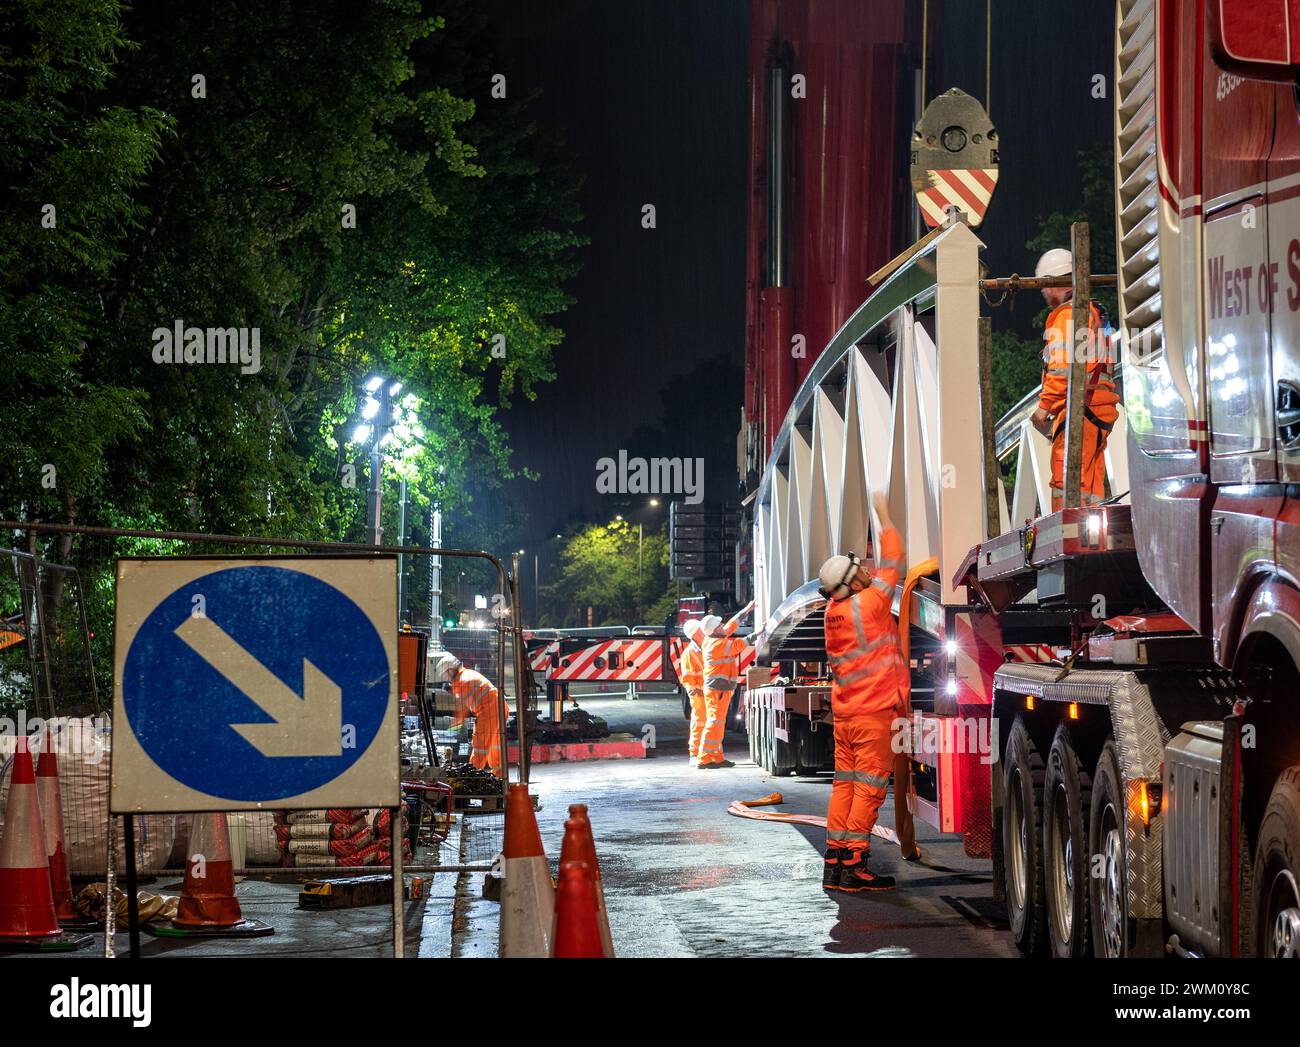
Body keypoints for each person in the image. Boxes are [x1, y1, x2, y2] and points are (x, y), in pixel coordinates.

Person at [816, 491, 906, 892]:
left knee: (844, 785)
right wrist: (884, 515)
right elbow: (894, 564)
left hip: (847, 715)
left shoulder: (831, 614)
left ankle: (835, 863)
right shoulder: (868, 604)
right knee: (868, 789)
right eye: (860, 570)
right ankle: (854, 865)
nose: (868, 572)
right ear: (852, 581)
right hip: (874, 715)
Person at [1029, 248, 1120, 510]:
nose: (1044, 293)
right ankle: (1089, 541)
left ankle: (1067, 535)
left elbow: (1061, 370)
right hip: (1099, 412)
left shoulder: (1066, 317)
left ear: (1055, 282)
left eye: (1045, 286)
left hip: (1080, 411)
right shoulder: (1092, 313)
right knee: (1089, 489)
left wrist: (1044, 408)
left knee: (1067, 482)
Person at [697, 600, 755, 769]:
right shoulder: (717, 644)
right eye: (720, 624)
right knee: (715, 721)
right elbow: (739, 645)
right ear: (715, 630)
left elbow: (731, 625)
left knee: (718, 722)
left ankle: (716, 756)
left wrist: (747, 610)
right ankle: (704, 758)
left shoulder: (715, 638)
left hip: (719, 687)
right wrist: (758, 632)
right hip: (718, 688)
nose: (723, 625)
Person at [430, 652, 506, 777]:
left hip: (489, 712)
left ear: (450, 670)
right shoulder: (468, 673)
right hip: (500, 708)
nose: (447, 679)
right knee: (494, 746)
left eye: (446, 675)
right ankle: (500, 778)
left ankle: (471, 777)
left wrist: (452, 727)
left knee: (479, 746)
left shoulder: (460, 681)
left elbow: (462, 710)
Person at [675, 619, 707, 764]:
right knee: (699, 721)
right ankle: (694, 754)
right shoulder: (689, 653)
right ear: (695, 634)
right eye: (700, 630)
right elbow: (688, 678)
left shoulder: (705, 646)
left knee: (710, 723)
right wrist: (694, 693)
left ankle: (707, 754)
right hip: (698, 694)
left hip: (708, 692)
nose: (703, 631)